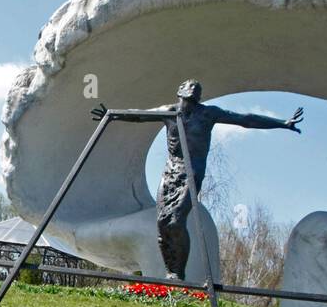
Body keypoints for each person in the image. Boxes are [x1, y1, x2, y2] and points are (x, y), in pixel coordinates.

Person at [93, 79, 302, 279]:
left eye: (198, 88)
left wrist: (283, 123)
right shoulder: (170, 112)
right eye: (190, 86)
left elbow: (245, 119)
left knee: (175, 220)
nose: (195, 89)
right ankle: (170, 272)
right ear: (180, 90)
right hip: (170, 170)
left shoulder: (207, 114)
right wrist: (111, 115)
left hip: (192, 170)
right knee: (162, 222)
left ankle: (178, 274)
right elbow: (139, 115)